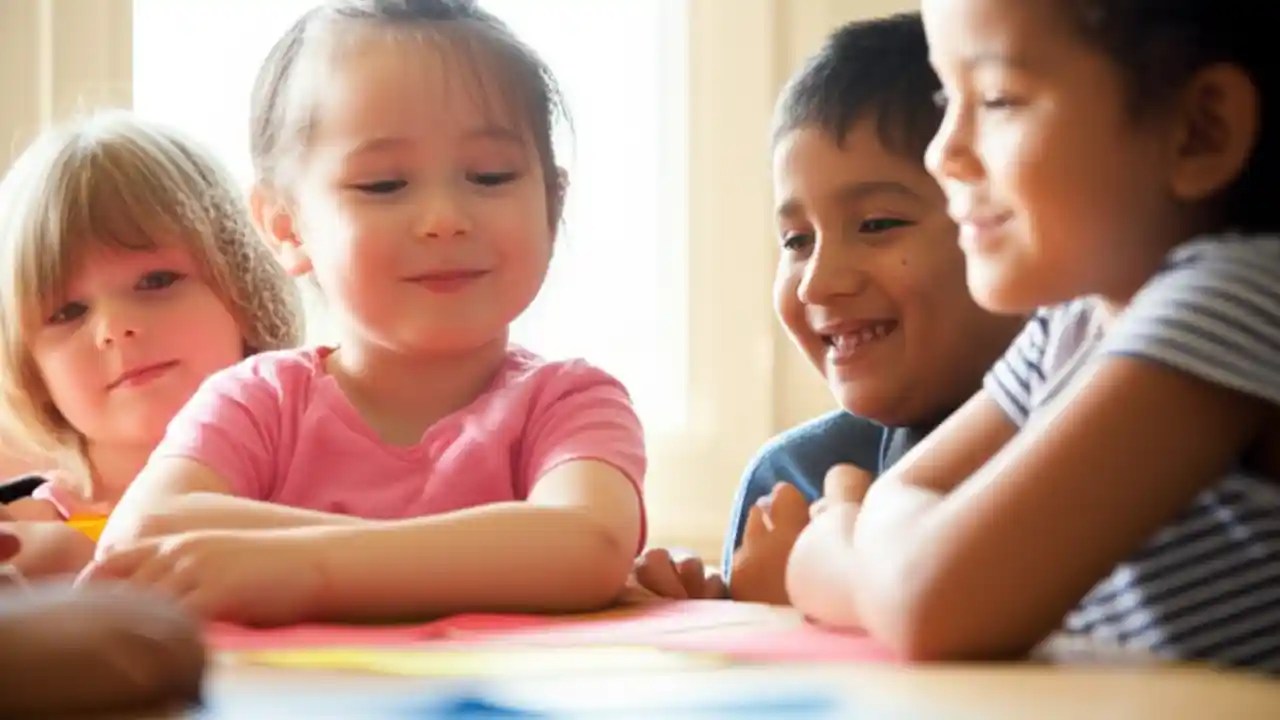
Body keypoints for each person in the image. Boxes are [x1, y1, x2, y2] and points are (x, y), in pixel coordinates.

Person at [88, 0, 647, 626]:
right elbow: (139, 534)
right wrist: (495, 556)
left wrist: (305, 568)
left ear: (553, 200)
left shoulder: (569, 401)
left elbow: (586, 547)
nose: (444, 219)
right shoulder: (258, 402)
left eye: (490, 176)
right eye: (383, 185)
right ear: (286, 226)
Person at [787, 0, 1280, 672]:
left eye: (994, 99)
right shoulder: (1070, 326)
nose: (942, 154)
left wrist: (845, 530)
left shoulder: (1240, 298)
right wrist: (885, 549)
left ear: (1200, 131)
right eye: (943, 94)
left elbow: (935, 602)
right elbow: (904, 502)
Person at [633, 14, 1023, 604]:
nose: (818, 283)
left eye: (877, 224)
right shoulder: (792, 478)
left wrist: (812, 594)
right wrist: (718, 609)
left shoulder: (1084, 432)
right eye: (796, 241)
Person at [0, 111, 300, 577]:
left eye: (156, 281)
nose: (115, 328)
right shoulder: (18, 533)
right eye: (67, 312)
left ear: (245, 290)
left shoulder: (329, 484)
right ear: (31, 372)